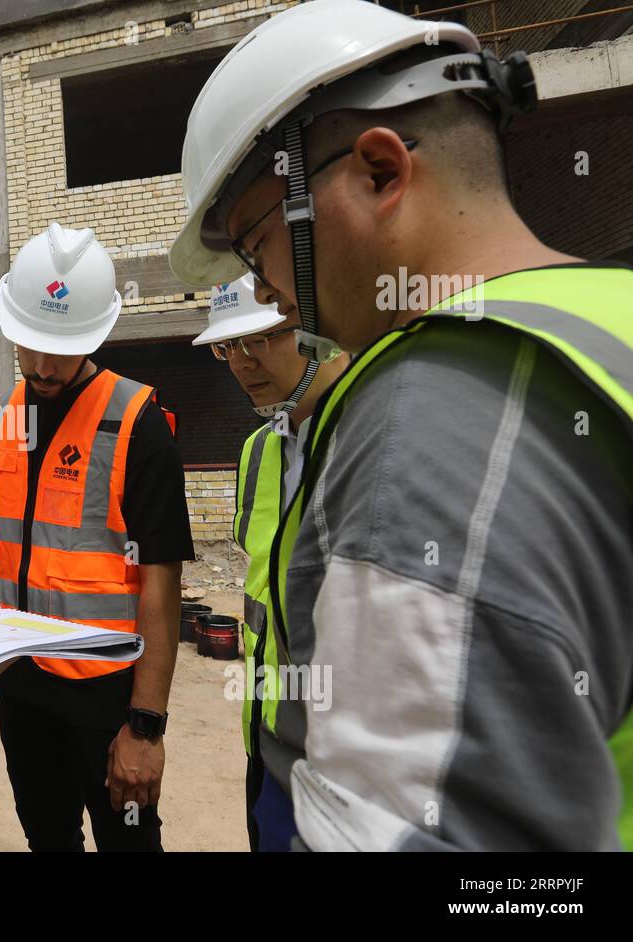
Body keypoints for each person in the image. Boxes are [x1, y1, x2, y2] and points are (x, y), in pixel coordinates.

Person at [170, 0, 632, 849]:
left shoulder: (432, 409)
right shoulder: (607, 319)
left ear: (381, 172)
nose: (263, 289)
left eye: (256, 243)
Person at [0, 222, 193, 851]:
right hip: (23, 688)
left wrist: (146, 728)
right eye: (29, 345)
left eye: (61, 348)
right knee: (48, 838)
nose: (42, 366)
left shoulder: (137, 423)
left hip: (109, 697)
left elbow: (161, 584)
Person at [195, 272, 349, 850]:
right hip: (267, 737)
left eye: (259, 340)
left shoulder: (372, 431)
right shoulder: (258, 452)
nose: (240, 362)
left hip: (351, 761)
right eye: (227, 346)